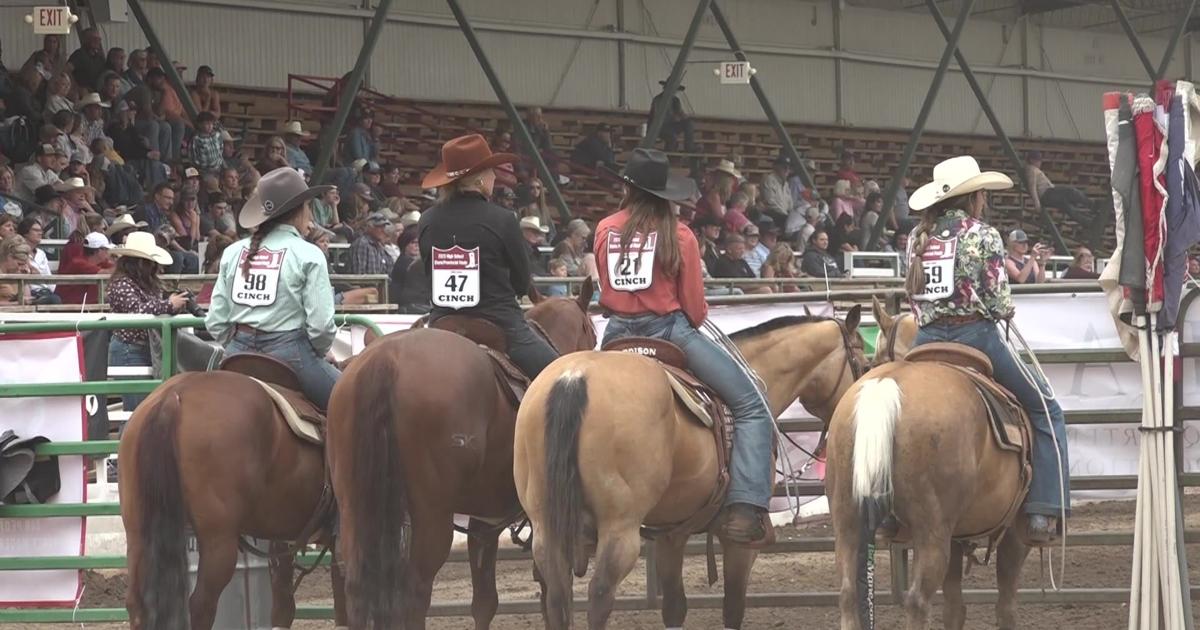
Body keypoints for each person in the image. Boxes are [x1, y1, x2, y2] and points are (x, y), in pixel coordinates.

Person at [594, 148, 775, 547]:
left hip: (617, 335)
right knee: (751, 405)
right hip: (669, 332)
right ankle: (746, 505)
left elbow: (606, 291)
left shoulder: (605, 228)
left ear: (627, 187)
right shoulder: (679, 234)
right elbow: (694, 308)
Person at [904, 155, 1068, 543]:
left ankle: (886, 509)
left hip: (926, 339)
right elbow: (997, 303)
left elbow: (914, 299)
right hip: (975, 336)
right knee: (1047, 409)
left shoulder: (917, 237)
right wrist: (1003, 309)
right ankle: (1045, 510)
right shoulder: (984, 234)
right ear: (975, 196)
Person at [418, 134, 559, 379]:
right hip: (500, 323)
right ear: (480, 179)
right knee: (561, 376)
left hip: (443, 322)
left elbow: (427, 271)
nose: (494, 177)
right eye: (491, 172)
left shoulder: (427, 220)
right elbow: (521, 280)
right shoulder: (503, 219)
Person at [204, 167, 341, 409]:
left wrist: (236, 343)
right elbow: (320, 327)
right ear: (299, 210)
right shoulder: (309, 254)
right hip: (291, 354)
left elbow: (216, 320)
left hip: (238, 353)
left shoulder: (233, 252)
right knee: (353, 402)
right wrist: (319, 352)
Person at [106, 231, 187, 411]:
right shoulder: (121, 284)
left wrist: (168, 304)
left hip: (144, 347)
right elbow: (136, 311)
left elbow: (145, 308)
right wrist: (168, 305)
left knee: (144, 409)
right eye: (150, 262)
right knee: (136, 410)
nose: (154, 267)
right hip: (130, 347)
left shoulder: (139, 282)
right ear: (140, 263)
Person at [55, 231, 114, 305]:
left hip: (86, 306)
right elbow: (107, 272)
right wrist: (122, 262)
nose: (109, 252)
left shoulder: (100, 262)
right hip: (69, 308)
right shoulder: (78, 263)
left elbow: (115, 269)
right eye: (106, 249)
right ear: (99, 250)